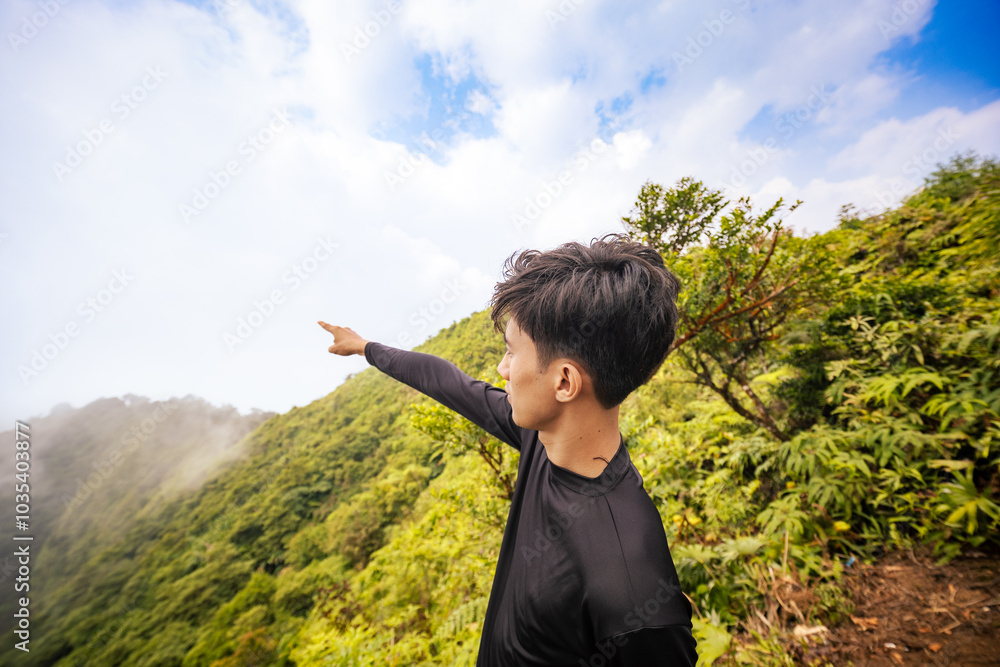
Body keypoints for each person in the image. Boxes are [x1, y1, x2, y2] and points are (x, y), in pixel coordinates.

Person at [317, 233, 697, 666]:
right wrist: (366, 347)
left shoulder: (632, 588)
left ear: (565, 382)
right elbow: (446, 380)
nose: (501, 369)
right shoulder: (542, 438)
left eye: (511, 352)